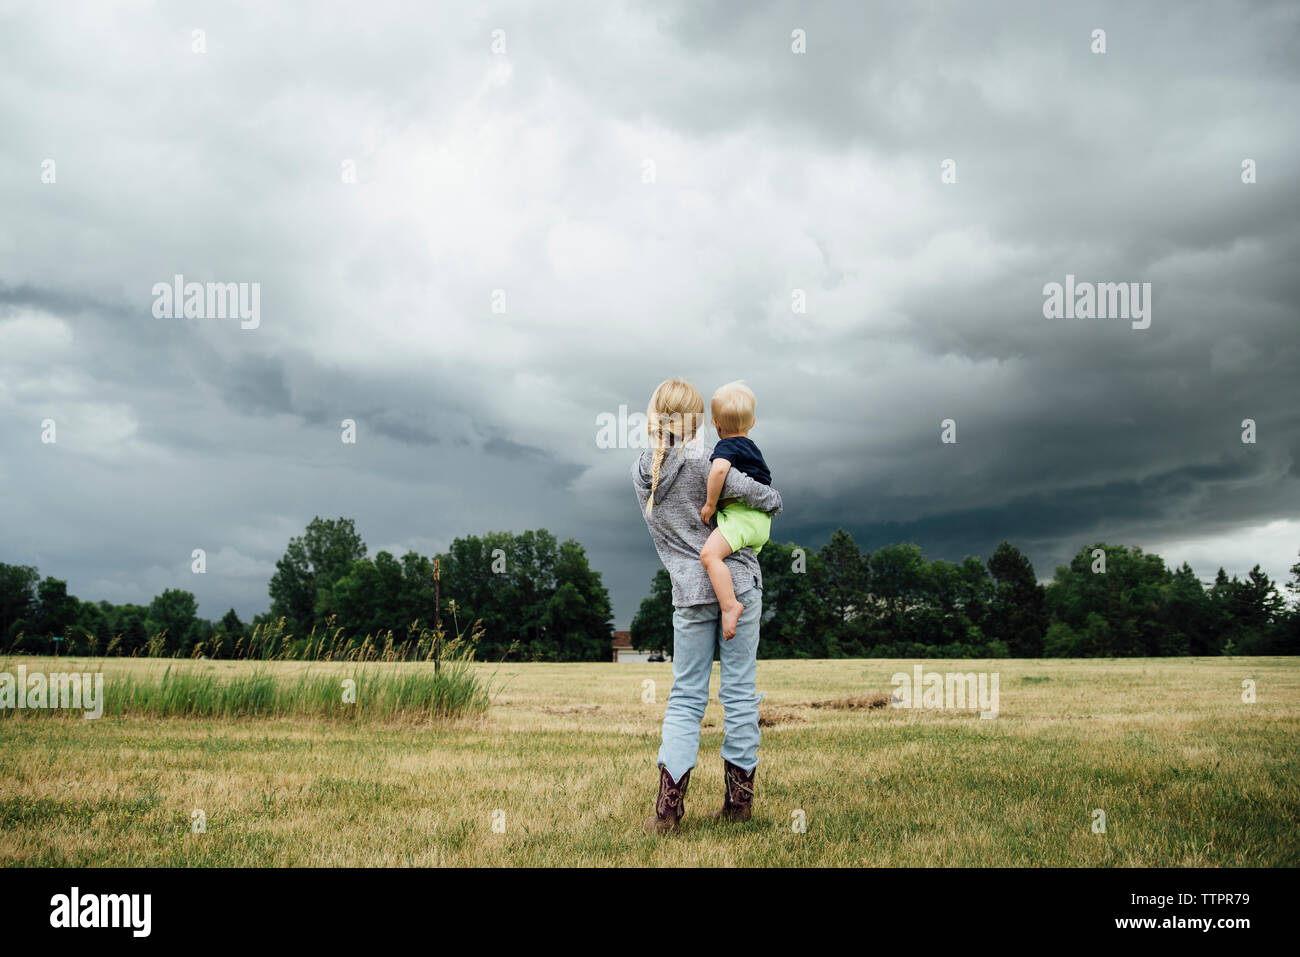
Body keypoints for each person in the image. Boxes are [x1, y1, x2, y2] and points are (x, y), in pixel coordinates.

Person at [631, 377, 783, 835]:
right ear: (700, 422)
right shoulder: (709, 460)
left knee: (684, 699)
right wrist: (769, 497)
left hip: (690, 594)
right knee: (739, 693)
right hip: (738, 586)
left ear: (654, 415)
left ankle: (668, 811)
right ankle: (739, 805)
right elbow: (767, 499)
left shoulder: (643, 472)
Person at [698, 381, 773, 641]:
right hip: (760, 524)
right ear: (752, 422)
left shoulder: (726, 447)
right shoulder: (753, 450)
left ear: (716, 424)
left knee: (709, 556)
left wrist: (709, 503)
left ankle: (730, 606)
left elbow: (719, 470)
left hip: (741, 518)